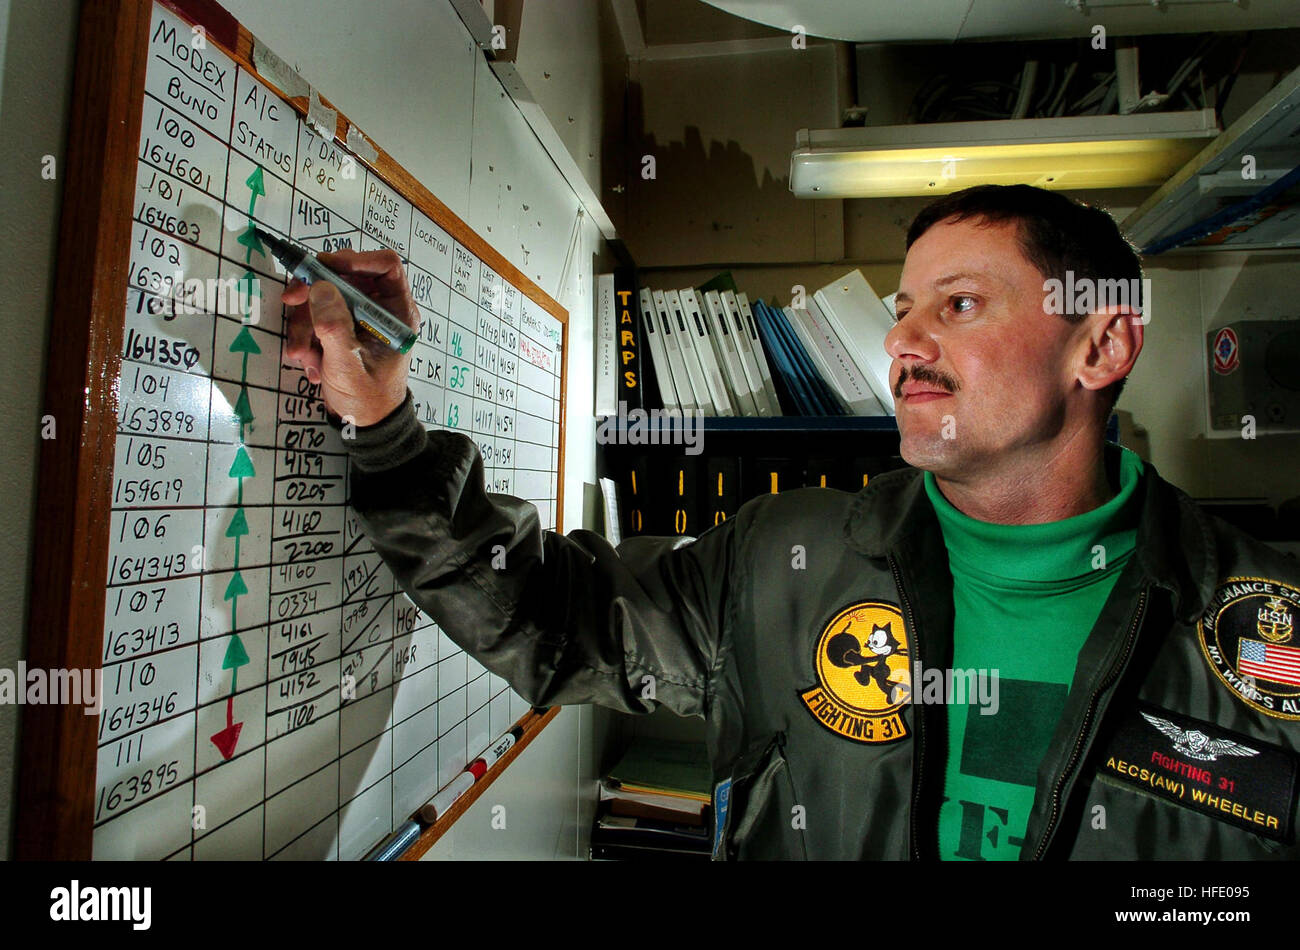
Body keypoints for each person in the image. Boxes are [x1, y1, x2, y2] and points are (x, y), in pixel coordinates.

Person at [283, 184, 1300, 860]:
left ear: (1100, 345)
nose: (901, 339)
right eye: (904, 309)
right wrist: (386, 428)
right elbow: (556, 618)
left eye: (958, 305)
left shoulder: (1269, 634)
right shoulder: (789, 560)